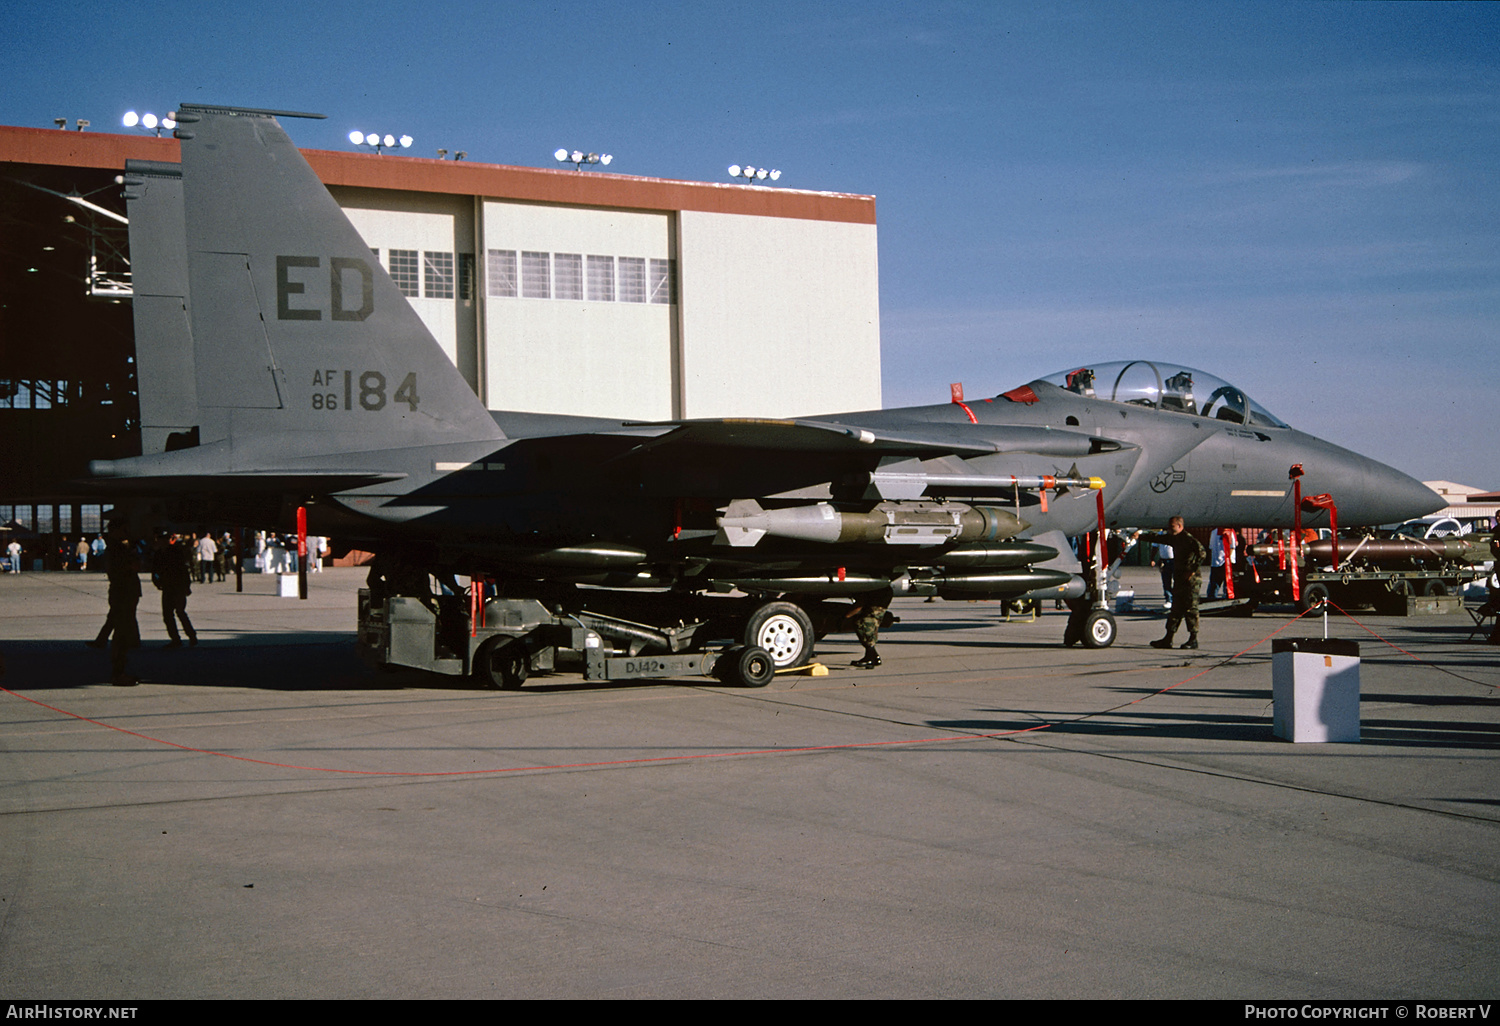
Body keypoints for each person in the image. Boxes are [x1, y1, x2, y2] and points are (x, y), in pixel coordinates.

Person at [1141, 517, 1206, 650]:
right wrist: (1139, 536)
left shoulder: (1188, 539)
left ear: (1180, 526)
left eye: (1172, 527)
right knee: (1175, 609)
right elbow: (1158, 538)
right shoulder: (1174, 538)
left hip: (1191, 581)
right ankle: (1168, 638)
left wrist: (1192, 570)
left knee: (1190, 609)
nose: (1170, 529)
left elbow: (1202, 553)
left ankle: (1193, 639)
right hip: (1180, 578)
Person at [105, 534, 141, 685]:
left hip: (123, 594)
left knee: (122, 634)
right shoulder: (119, 551)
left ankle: (119, 671)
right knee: (122, 635)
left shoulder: (114, 550)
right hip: (124, 594)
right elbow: (131, 567)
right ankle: (119, 673)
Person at [153, 534, 198, 648]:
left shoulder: (174, 552)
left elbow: (183, 569)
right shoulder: (158, 554)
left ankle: (191, 636)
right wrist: (157, 582)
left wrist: (186, 586)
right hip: (167, 587)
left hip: (178, 586)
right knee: (167, 615)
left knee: (180, 612)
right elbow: (155, 570)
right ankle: (175, 639)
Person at [846, 586, 894, 669]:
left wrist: (847, 616)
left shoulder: (866, 589)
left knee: (862, 625)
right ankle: (874, 656)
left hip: (875, 603)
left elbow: (859, 605)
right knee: (872, 628)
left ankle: (870, 658)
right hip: (880, 602)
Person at [1206, 528, 1235, 600]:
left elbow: (1232, 547)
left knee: (1226, 583)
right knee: (1215, 583)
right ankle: (1212, 598)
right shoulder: (1214, 532)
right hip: (1217, 561)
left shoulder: (1230, 532)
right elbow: (1211, 547)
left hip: (1226, 562)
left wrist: (1227, 559)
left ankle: (1227, 597)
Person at [1151, 539, 1173, 611]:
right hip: (1164, 560)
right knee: (1166, 581)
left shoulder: (1176, 535)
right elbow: (1155, 547)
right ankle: (1169, 600)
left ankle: (1177, 600)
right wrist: (1152, 559)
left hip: (1175, 560)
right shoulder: (1160, 536)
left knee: (1178, 581)